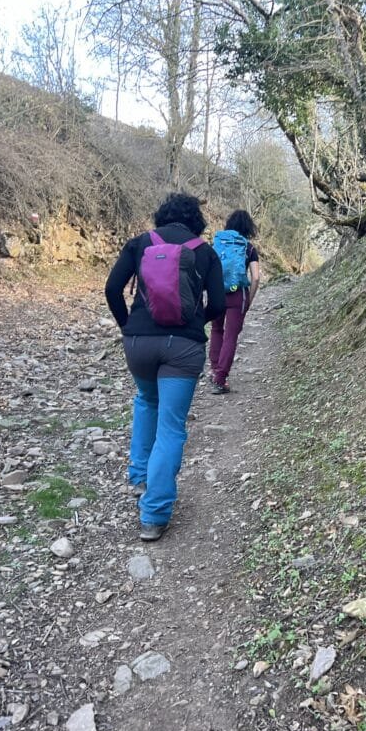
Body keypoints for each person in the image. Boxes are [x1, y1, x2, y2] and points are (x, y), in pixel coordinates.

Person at [104, 193, 226, 541]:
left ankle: (140, 477)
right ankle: (154, 515)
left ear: (161, 215)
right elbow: (219, 304)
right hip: (183, 349)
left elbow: (112, 289)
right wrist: (195, 322)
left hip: (138, 344)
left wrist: (128, 325)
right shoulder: (205, 252)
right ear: (196, 221)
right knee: (171, 427)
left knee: (146, 400)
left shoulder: (140, 243)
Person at [208, 210, 261, 394]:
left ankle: (214, 369)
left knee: (216, 329)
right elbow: (255, 277)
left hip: (217, 292)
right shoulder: (248, 248)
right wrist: (249, 300)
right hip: (238, 294)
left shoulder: (217, 244)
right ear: (248, 227)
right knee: (230, 336)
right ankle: (220, 379)